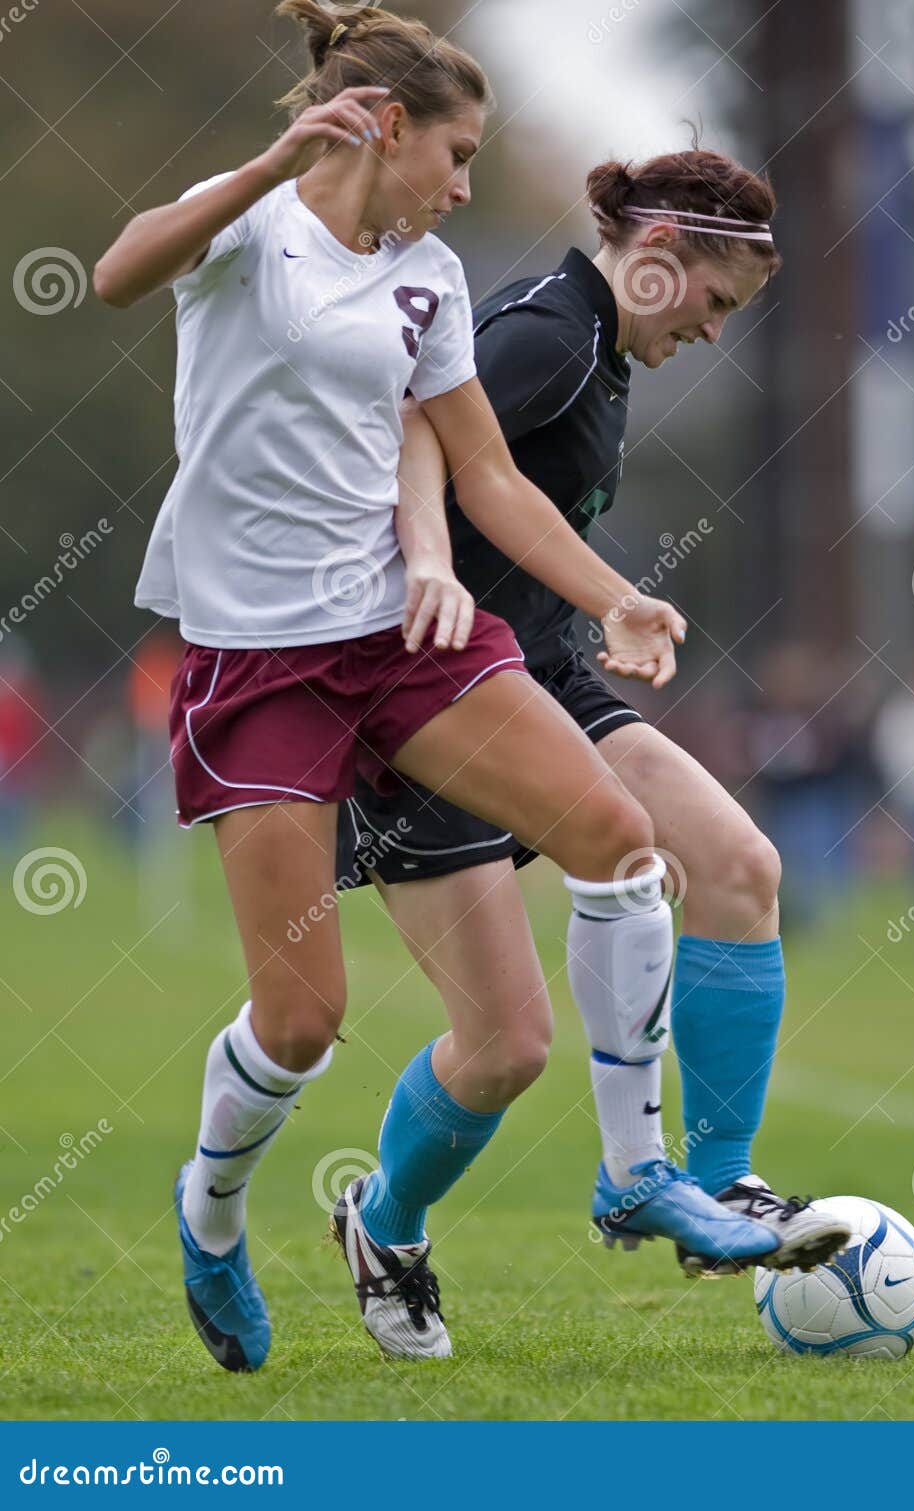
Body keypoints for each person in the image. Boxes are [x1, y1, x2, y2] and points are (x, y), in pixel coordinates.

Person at [93, 0, 776, 1374]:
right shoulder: (250, 224)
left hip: (405, 641)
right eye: (456, 154)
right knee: (301, 1022)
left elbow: (485, 475)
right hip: (256, 659)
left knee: (620, 837)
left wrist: (613, 596)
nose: (468, 188)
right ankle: (213, 1209)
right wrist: (269, 166)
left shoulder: (435, 278)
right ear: (389, 128)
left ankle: (641, 1170)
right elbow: (116, 274)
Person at [332, 148, 852, 1284]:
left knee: (736, 864)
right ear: (659, 256)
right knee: (505, 1047)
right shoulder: (552, 336)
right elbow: (420, 434)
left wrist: (596, 604)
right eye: (715, 304)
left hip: (545, 677)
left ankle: (714, 1179)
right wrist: (587, 590)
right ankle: (384, 1222)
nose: (713, 332)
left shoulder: (595, 345)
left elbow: (505, 496)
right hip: (433, 697)